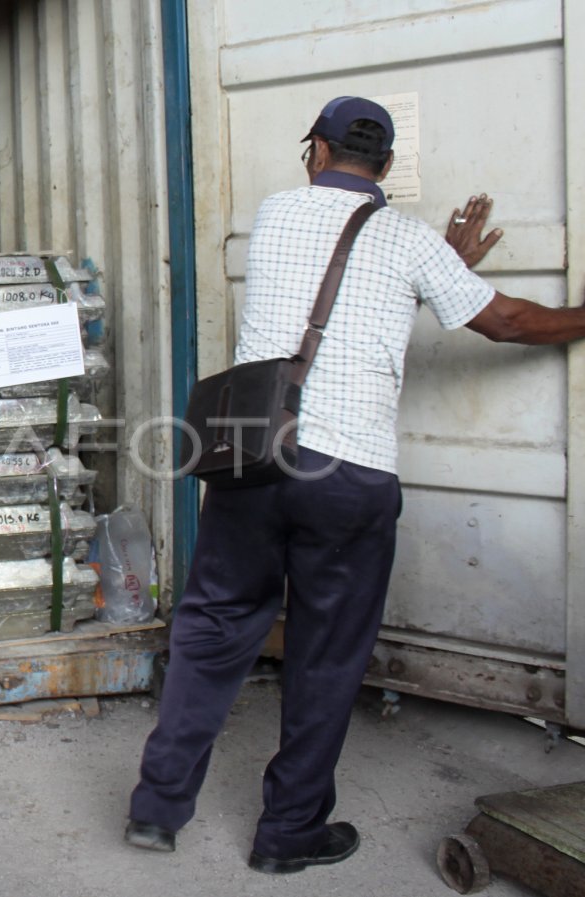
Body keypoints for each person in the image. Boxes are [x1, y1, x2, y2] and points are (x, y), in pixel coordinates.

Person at [125, 96, 585, 871]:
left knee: (210, 635)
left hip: (254, 459)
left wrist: (438, 265)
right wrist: (467, 273)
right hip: (350, 474)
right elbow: (506, 322)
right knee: (327, 654)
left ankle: (157, 809)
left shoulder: (277, 215)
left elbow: (333, 280)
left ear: (316, 150)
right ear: (389, 169)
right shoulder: (410, 244)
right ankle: (286, 836)